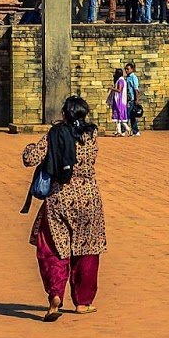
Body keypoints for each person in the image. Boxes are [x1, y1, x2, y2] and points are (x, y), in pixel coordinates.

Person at [23, 95, 106, 321]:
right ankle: (83, 302)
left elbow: (30, 158)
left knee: (53, 248)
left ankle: (56, 295)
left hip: (60, 197)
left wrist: (32, 147)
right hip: (89, 198)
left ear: (64, 114)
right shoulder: (91, 135)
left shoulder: (55, 134)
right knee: (88, 249)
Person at [108, 68, 129, 136]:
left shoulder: (120, 81)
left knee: (120, 116)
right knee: (117, 117)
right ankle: (119, 131)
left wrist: (112, 88)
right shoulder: (122, 80)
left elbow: (119, 90)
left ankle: (128, 128)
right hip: (118, 100)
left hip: (119, 101)